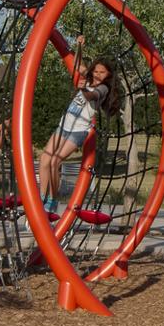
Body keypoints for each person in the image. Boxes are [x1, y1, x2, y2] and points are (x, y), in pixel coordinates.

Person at [36, 55, 121, 211]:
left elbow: (90, 96)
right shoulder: (89, 78)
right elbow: (77, 65)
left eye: (102, 72)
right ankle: (42, 196)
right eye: (96, 71)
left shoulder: (103, 89)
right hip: (64, 125)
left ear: (108, 75)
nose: (97, 74)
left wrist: (82, 88)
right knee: (44, 160)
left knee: (55, 162)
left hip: (79, 130)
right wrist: (78, 46)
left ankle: (52, 200)